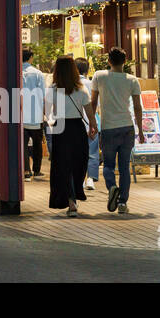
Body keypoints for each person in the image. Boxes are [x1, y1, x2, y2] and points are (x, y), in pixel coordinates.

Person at [91, 48, 145, 215]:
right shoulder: (132, 80)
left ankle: (112, 187)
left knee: (107, 164)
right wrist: (141, 130)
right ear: (125, 61)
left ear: (109, 61)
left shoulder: (99, 76)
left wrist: (92, 125)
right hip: (127, 128)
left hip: (108, 128)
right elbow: (137, 107)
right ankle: (122, 203)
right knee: (124, 167)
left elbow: (93, 102)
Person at [46, 55, 97, 217]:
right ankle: (74, 197)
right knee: (78, 164)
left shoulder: (53, 89)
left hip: (61, 128)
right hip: (77, 128)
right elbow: (89, 113)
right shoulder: (81, 89)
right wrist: (93, 127)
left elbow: (46, 112)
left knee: (63, 166)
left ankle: (70, 200)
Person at [20, 48, 46, 182]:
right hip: (35, 114)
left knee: (23, 144)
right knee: (37, 144)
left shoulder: (16, 73)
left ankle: (26, 171)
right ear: (30, 57)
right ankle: (36, 170)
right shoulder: (38, 73)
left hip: (21, 114)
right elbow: (43, 95)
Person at [75, 56, 99, 192]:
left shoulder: (70, 84)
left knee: (78, 153)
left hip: (76, 123)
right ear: (87, 70)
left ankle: (81, 180)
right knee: (93, 152)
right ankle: (91, 179)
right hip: (91, 121)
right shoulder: (91, 84)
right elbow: (96, 104)